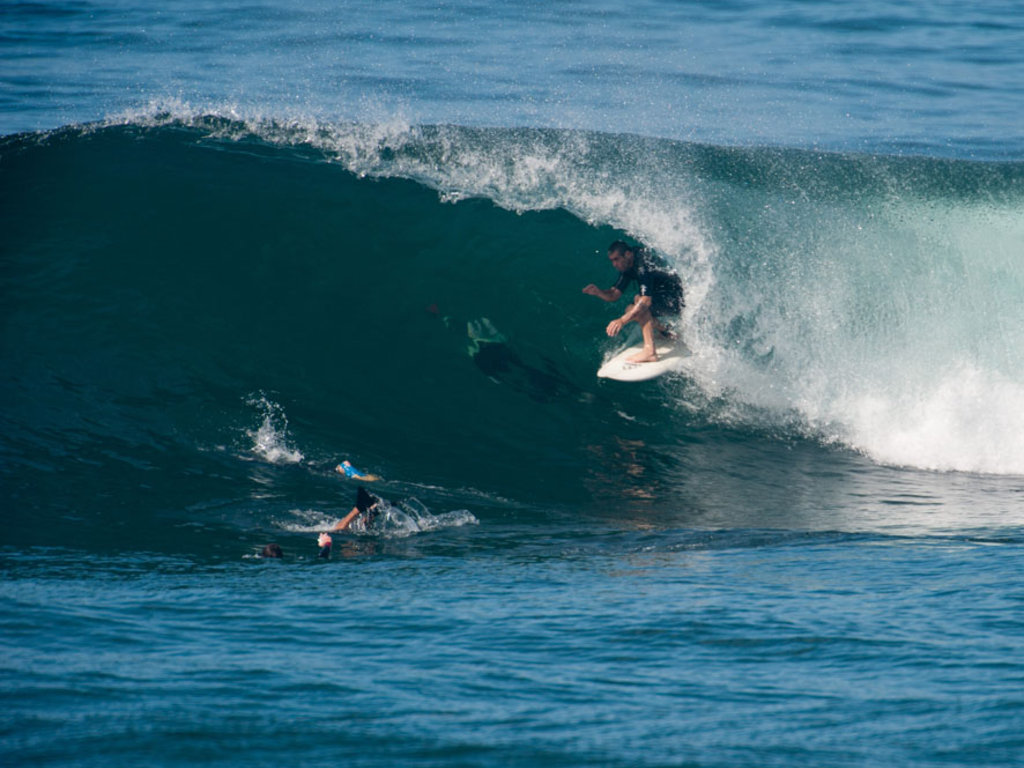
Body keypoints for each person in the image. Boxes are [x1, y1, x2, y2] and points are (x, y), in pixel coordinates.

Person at [582, 240, 684, 363]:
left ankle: (650, 351)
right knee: (630, 308)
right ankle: (665, 331)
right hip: (662, 296)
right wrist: (599, 292)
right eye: (612, 261)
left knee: (639, 303)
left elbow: (646, 301)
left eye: (616, 259)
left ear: (628, 254)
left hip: (675, 299)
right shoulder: (628, 265)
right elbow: (614, 294)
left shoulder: (643, 264)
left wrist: (622, 321)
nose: (614, 264)